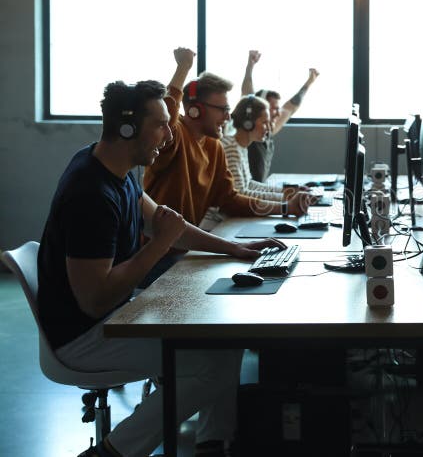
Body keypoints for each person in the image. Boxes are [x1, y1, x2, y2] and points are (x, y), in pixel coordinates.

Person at [38, 79, 286, 457]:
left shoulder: (118, 172)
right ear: (128, 129)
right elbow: (94, 301)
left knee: (222, 344)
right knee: (211, 361)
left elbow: (170, 224)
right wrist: (159, 245)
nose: (170, 135)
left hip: (111, 316)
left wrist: (236, 249)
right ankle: (116, 451)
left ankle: (211, 442)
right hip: (82, 338)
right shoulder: (90, 194)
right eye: (160, 125)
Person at [143, 48, 313, 228]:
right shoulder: (175, 136)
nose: (229, 117)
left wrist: (286, 207)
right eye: (222, 110)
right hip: (158, 250)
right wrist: (183, 67)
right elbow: (165, 120)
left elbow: (230, 200)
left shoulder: (214, 146)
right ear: (195, 109)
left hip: (186, 243)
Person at [241, 50, 320, 182]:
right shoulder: (250, 128)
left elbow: (290, 107)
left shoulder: (269, 129)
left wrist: (309, 82)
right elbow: (247, 92)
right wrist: (250, 66)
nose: (278, 114)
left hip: (259, 192)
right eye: (273, 109)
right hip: (250, 197)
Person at [222, 94, 286, 200]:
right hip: (221, 216)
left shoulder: (241, 146)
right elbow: (240, 194)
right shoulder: (231, 148)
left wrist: (285, 191)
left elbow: (249, 184)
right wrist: (284, 198)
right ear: (248, 123)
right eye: (264, 123)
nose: (268, 128)